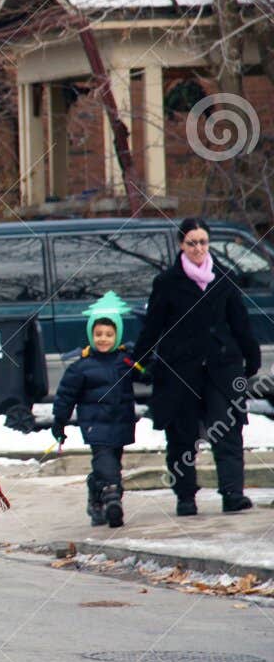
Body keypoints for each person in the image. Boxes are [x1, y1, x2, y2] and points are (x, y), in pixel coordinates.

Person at [133, 218, 260, 517]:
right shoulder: (167, 282)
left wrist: (251, 356)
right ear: (181, 245)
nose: (198, 248)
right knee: (182, 434)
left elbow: (240, 322)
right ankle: (185, 496)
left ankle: (232, 493)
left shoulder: (224, 278)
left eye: (203, 242)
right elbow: (153, 326)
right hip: (180, 370)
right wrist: (140, 360)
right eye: (192, 243)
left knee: (227, 429)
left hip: (221, 367)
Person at [52, 292, 140, 528]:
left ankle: (96, 499)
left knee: (112, 466)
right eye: (98, 334)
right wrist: (59, 422)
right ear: (91, 335)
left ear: (117, 335)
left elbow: (149, 375)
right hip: (95, 425)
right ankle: (113, 502)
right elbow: (65, 396)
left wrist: (143, 354)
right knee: (106, 465)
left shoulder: (126, 361)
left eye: (109, 335)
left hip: (121, 423)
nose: (103, 339)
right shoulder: (81, 366)